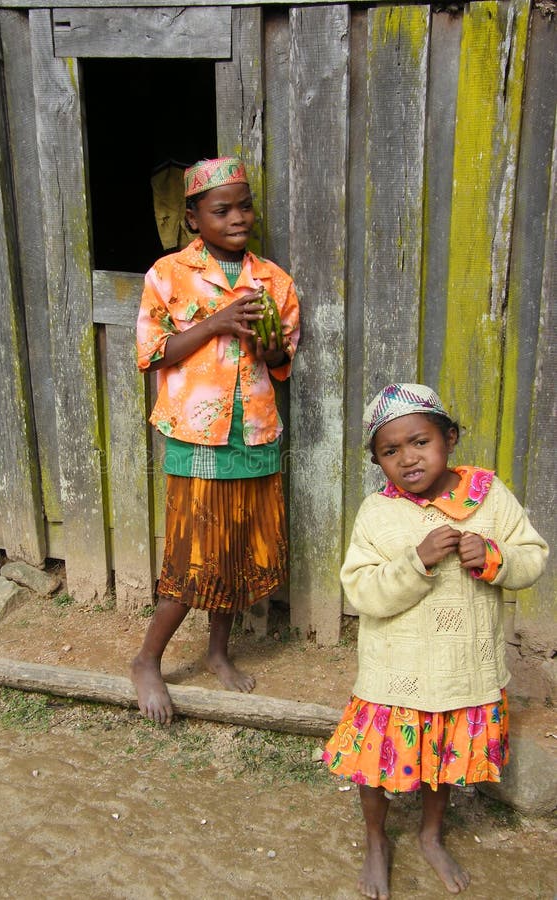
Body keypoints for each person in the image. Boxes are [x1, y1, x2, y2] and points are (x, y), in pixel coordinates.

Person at [323, 383, 548, 899]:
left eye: (420, 442)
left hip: (461, 669)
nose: (408, 458)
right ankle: (377, 840)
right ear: (378, 460)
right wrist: (416, 560)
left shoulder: (490, 497)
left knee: (441, 759)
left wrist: (494, 556)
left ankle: (429, 835)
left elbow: (531, 555)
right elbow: (360, 589)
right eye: (390, 451)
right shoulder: (377, 513)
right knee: (376, 766)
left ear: (450, 437)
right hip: (394, 675)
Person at [131, 156, 300, 725]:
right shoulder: (168, 275)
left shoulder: (273, 281)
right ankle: (148, 660)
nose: (237, 218)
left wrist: (267, 344)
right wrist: (217, 322)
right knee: (192, 561)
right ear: (192, 216)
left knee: (231, 555)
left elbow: (282, 363)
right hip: (196, 436)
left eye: (244, 206)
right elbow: (151, 354)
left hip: (252, 433)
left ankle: (218, 653)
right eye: (221, 209)